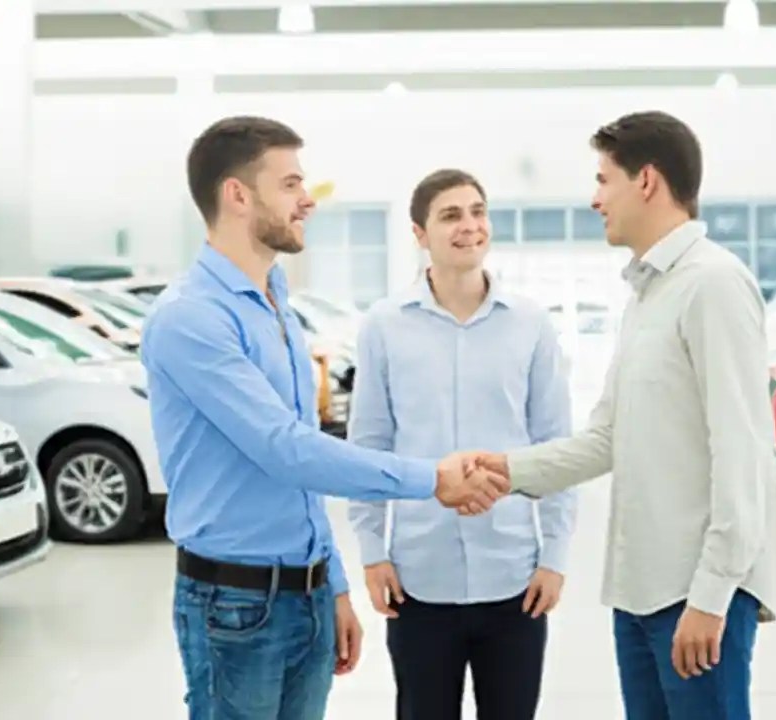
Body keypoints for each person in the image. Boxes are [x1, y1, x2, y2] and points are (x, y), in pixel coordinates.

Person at [139, 116, 506, 720]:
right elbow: (283, 449)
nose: (307, 199)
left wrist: (330, 582)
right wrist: (432, 479)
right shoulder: (191, 318)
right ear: (237, 195)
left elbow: (302, 458)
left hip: (301, 595)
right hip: (233, 606)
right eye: (290, 184)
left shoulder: (276, 301)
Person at [465, 110, 776, 720]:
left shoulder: (712, 283)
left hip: (695, 595)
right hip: (639, 593)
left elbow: (744, 452)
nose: (594, 198)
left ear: (647, 181)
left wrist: (712, 597)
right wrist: (502, 468)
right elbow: (608, 437)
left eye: (604, 179)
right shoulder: (648, 293)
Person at [347, 169, 577, 720]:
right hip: (418, 580)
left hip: (514, 580)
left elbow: (555, 446)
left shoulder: (530, 324)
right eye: (451, 215)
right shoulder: (383, 325)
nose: (469, 226)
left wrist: (555, 557)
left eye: (477, 211)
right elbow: (369, 447)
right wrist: (373, 551)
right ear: (419, 233)